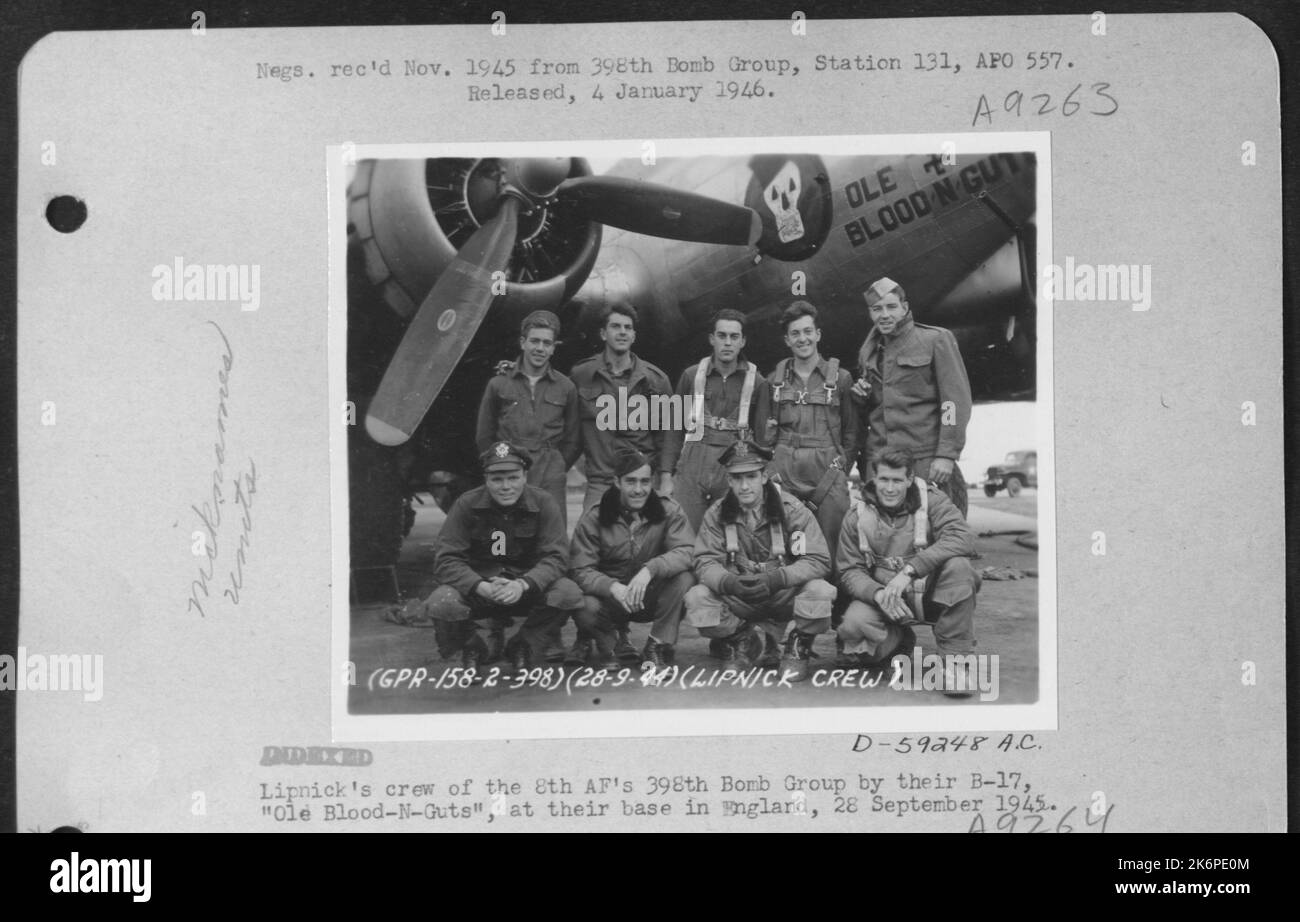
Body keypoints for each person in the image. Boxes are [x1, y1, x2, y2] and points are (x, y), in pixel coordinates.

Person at [414, 442, 583, 671]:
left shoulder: (543, 502)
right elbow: (446, 559)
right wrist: (480, 586)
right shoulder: (466, 504)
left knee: (568, 592)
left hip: (526, 587)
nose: (506, 487)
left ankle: (523, 645)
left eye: (513, 478)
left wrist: (522, 584)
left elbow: (557, 556)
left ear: (525, 476)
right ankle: (472, 646)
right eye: (497, 479)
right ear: (486, 479)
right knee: (441, 602)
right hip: (480, 588)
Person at [685, 439, 836, 681]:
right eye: (737, 478)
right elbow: (705, 561)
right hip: (739, 594)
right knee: (697, 597)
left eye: (751, 476)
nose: (744, 486)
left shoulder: (792, 510)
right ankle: (740, 640)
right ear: (729, 480)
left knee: (820, 591)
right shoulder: (717, 514)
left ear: (764, 477)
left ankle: (798, 644)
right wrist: (729, 582)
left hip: (782, 593)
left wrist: (778, 578)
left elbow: (816, 559)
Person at [835, 447, 981, 696]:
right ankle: (897, 645)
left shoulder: (932, 501)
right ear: (873, 478)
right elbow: (849, 570)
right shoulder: (857, 514)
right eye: (884, 480)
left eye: (897, 480)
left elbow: (962, 537)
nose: (890, 489)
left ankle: (955, 663)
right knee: (853, 626)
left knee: (959, 568)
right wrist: (876, 594)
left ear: (910, 479)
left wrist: (910, 570)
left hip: (930, 592)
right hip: (887, 599)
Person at [853, 277, 973, 516]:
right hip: (881, 461)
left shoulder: (935, 339)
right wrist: (862, 396)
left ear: (905, 308)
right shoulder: (869, 351)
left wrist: (946, 454)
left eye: (891, 307)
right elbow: (876, 407)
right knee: (883, 530)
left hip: (923, 460)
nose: (884, 315)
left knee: (931, 527)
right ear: (870, 313)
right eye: (877, 309)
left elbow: (953, 402)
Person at [569, 450, 696, 670]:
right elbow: (580, 570)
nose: (638, 489)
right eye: (631, 481)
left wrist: (650, 569)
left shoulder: (668, 509)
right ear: (616, 482)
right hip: (612, 599)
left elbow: (687, 550)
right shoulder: (594, 516)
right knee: (584, 603)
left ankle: (656, 645)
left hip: (648, 594)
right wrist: (612, 587)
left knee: (685, 579)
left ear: (652, 482)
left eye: (645, 482)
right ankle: (609, 642)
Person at [764, 300, 859, 577]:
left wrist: (841, 470)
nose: (802, 339)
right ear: (787, 340)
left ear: (818, 334)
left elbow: (852, 433)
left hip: (828, 473)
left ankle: (837, 601)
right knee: (790, 548)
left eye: (808, 331)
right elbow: (765, 434)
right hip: (786, 474)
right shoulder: (773, 382)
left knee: (835, 548)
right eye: (795, 333)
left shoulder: (841, 379)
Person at [661, 309, 772, 530]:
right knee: (683, 533)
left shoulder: (757, 382)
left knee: (730, 535)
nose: (727, 343)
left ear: (743, 341)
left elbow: (761, 439)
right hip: (692, 466)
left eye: (734, 337)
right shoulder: (691, 376)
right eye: (722, 336)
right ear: (712, 339)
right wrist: (666, 477)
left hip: (733, 465)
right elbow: (673, 430)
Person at [475, 310, 581, 525]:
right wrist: (500, 465)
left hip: (550, 472)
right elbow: (484, 436)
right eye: (534, 341)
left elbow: (573, 439)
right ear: (523, 342)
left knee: (552, 533)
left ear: (553, 348)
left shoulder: (566, 387)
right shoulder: (498, 384)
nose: (540, 348)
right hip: (509, 470)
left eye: (546, 343)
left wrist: (557, 465)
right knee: (508, 532)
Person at [570, 302, 674, 513]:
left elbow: (667, 437)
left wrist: (665, 479)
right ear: (603, 334)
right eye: (616, 326)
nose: (622, 332)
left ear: (634, 336)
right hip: (601, 482)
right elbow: (570, 431)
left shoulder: (656, 380)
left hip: (641, 482)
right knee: (591, 531)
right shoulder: (582, 375)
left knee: (646, 533)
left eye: (628, 328)